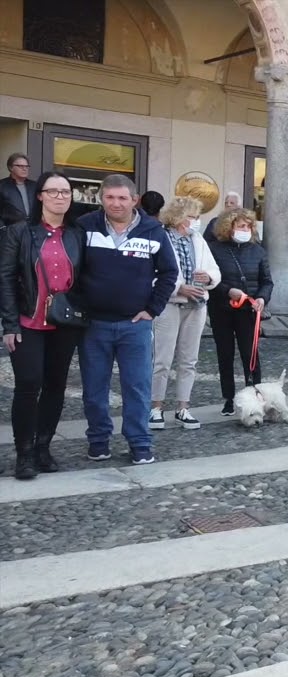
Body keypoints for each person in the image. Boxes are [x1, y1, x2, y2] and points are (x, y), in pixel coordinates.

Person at [77, 174, 178, 465]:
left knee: (137, 387)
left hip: (135, 325)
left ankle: (139, 442)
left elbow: (169, 273)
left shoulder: (153, 231)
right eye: (110, 197)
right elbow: (72, 269)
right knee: (94, 388)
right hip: (94, 324)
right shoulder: (85, 228)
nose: (116, 203)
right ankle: (98, 440)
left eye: (122, 198)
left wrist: (153, 308)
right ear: (101, 198)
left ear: (134, 199)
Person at [0, 171, 86, 478]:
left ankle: (43, 447)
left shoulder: (77, 233)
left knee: (55, 386)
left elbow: (85, 277)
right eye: (54, 191)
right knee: (28, 385)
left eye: (66, 192)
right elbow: (6, 278)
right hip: (28, 321)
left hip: (64, 323)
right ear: (40, 196)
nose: (60, 196)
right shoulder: (19, 232)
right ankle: (24, 453)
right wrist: (9, 324)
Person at [151, 196, 221, 431]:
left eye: (197, 217)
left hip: (197, 305)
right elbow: (151, 273)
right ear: (179, 217)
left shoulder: (198, 239)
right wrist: (177, 287)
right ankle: (155, 407)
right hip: (170, 305)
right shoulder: (161, 237)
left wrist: (209, 278)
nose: (196, 221)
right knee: (162, 359)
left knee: (189, 360)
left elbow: (214, 270)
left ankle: (183, 407)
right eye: (192, 217)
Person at [208, 207, 273, 416]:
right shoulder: (214, 249)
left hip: (249, 311)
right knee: (225, 354)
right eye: (241, 226)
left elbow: (267, 281)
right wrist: (228, 291)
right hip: (222, 310)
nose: (246, 229)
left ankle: (255, 394)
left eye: (248, 226)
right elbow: (212, 280)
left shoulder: (258, 251)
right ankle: (229, 398)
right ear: (230, 227)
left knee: (250, 354)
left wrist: (262, 298)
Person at [0, 153, 36, 227]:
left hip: (32, 229)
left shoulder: (34, 186)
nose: (24, 169)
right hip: (10, 231)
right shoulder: (2, 186)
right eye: (20, 166)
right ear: (10, 168)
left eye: (27, 166)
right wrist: (2, 228)